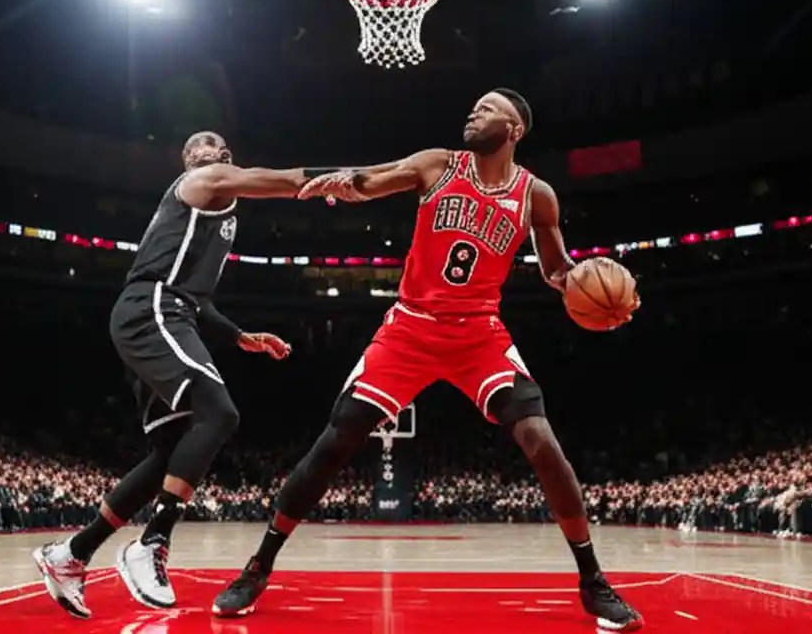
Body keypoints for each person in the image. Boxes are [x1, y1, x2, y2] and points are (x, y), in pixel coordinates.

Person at [211, 90, 645, 631]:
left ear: (515, 129)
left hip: (480, 334)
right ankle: (257, 567)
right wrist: (343, 182)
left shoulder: (537, 195)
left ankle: (593, 582)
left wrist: (588, 286)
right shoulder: (438, 164)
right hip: (410, 327)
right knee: (338, 436)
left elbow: (557, 270)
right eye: (474, 107)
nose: (473, 112)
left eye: (488, 109)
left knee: (541, 440)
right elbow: (375, 178)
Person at [34, 131, 324, 619]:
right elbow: (284, 180)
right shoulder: (203, 182)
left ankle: (71, 555)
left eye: (218, 142)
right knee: (219, 413)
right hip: (153, 309)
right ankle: (153, 541)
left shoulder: (220, 214)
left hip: (167, 312)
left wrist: (238, 336)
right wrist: (335, 180)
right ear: (189, 162)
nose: (212, 148)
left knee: (170, 451)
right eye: (199, 146)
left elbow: (200, 299)